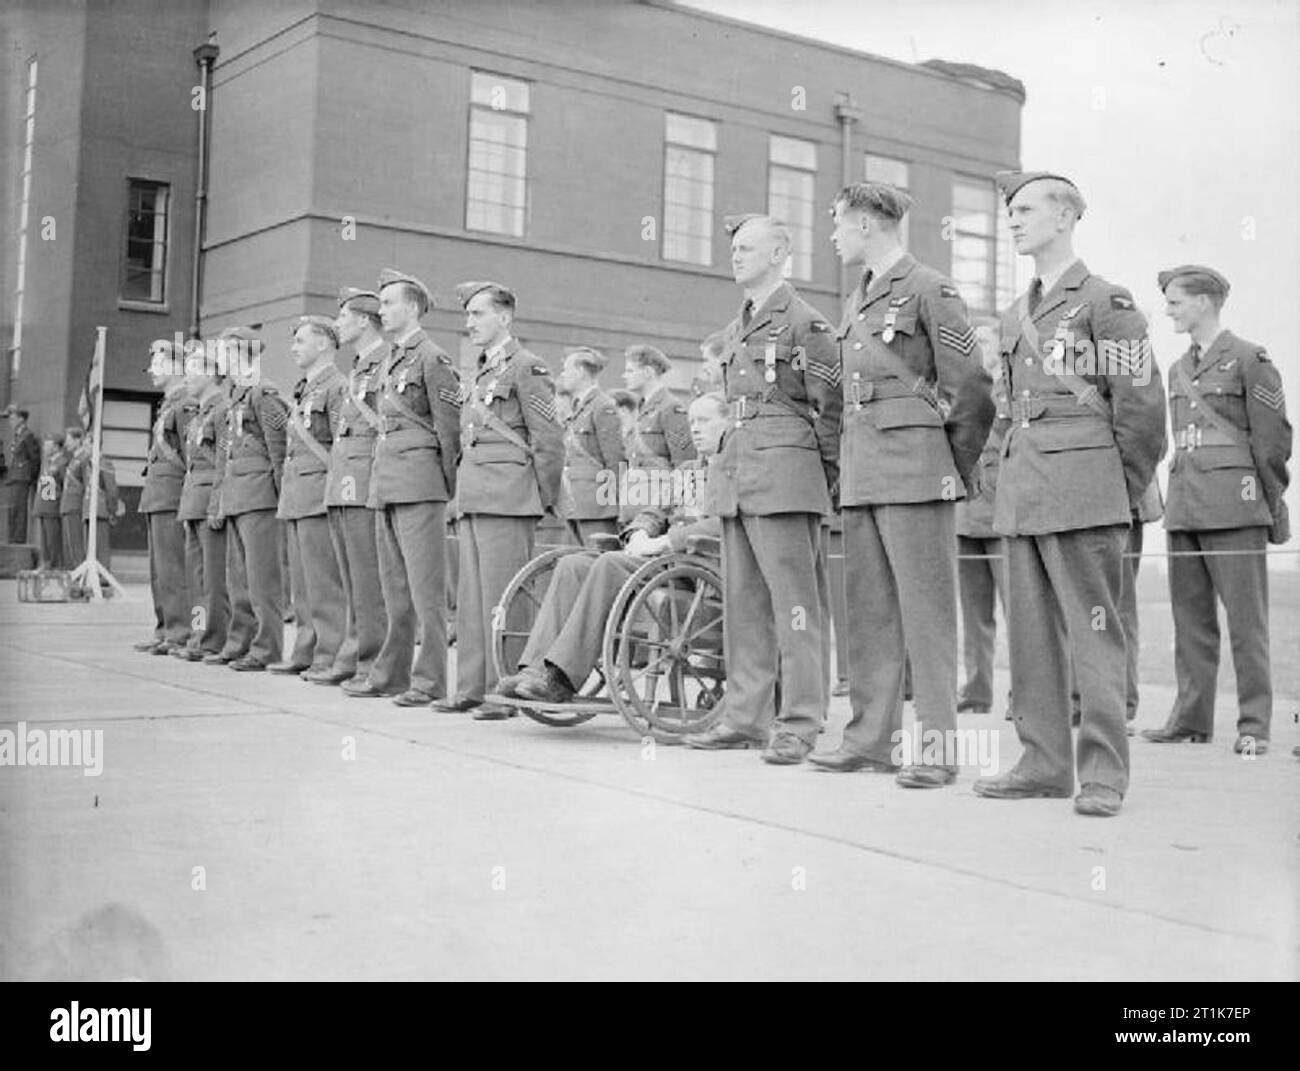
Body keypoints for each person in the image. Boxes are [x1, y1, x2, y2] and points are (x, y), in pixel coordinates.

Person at [973, 171, 1166, 817]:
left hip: (1085, 493)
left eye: (1026, 210)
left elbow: (1141, 411)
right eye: (1011, 212)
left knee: (1094, 634)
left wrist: (1116, 489)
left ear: (1064, 217)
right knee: (1030, 637)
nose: (1014, 221)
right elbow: (1006, 410)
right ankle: (1043, 762)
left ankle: (1104, 772)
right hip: (1025, 493)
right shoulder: (1013, 314)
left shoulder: (1106, 302)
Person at [811, 181, 994, 787]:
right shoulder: (856, 299)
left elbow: (970, 389)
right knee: (870, 614)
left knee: (928, 616)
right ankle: (870, 740)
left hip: (917, 473)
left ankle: (938, 749)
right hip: (864, 472)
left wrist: (949, 470)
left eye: (838, 223)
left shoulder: (929, 288)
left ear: (865, 225)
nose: (833, 234)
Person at [680, 214, 842, 766]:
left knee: (797, 610)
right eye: (734, 248)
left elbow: (831, 410)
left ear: (779, 253)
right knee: (746, 607)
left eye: (748, 247)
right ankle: (746, 717)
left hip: (786, 478)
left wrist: (813, 475)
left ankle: (800, 720)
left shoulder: (806, 322)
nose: (736, 255)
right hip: (738, 475)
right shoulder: (739, 326)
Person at [1141, 264, 1291, 755]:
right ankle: (1191, 719)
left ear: (1204, 302)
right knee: (1191, 622)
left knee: (1247, 624)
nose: (1169, 311)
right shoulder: (1179, 367)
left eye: (1177, 301)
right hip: (1185, 505)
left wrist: (1268, 501)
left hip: (1234, 505)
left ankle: (1253, 725)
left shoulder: (1251, 359)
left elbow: (1272, 441)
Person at [499, 392, 729, 703]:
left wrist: (663, 541)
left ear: (728, 422)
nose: (695, 429)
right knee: (573, 564)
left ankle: (562, 676)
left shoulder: (733, 468)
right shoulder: (688, 469)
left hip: (701, 574)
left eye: (704, 421)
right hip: (662, 566)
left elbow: (722, 524)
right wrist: (639, 533)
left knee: (610, 564)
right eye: (692, 422)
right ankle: (536, 669)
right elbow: (654, 511)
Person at [434, 280, 562, 719]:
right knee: (471, 600)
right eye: (468, 314)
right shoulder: (484, 369)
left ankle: (503, 690)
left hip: (508, 498)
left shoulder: (528, 366)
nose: (469, 323)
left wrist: (541, 496)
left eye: (477, 314)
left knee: (503, 601)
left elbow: (548, 438)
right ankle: (471, 687)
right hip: (475, 496)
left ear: (504, 317)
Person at [345, 269, 461, 706]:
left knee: (425, 592)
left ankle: (430, 680)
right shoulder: (392, 359)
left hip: (420, 485)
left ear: (412, 308)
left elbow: (449, 434)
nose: (382, 309)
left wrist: (444, 489)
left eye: (390, 301)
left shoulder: (433, 358)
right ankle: (392, 674)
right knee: (395, 589)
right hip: (388, 482)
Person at [269, 315, 350, 680]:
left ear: (323, 344)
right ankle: (305, 650)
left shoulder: (337, 387)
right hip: (298, 494)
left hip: (320, 495)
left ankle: (329, 654)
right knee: (302, 585)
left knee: (323, 584)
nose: (294, 347)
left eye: (301, 340)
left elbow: (341, 447)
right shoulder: (305, 389)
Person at [211, 326, 289, 672]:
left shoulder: (264, 394)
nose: (221, 360)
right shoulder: (234, 398)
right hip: (237, 495)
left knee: (262, 581)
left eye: (226, 352)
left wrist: (281, 496)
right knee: (238, 580)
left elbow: (279, 448)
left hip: (259, 497)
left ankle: (267, 647)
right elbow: (225, 454)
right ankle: (239, 642)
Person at [327, 287, 389, 690]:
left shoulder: (385, 362)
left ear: (364, 320)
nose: (338, 324)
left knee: (369, 580)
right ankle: (354, 653)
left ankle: (371, 660)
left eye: (344, 317)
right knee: (352, 578)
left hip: (367, 480)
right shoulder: (359, 366)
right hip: (345, 480)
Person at [955, 317, 1010, 715]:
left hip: (1004, 512)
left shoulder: (1014, 388)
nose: (979, 348)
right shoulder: (964, 389)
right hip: (966, 515)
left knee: (1021, 612)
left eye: (987, 341)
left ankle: (1025, 695)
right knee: (975, 615)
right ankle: (977, 691)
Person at [132, 342, 194, 656]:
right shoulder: (168, 405)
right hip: (157, 496)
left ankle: (180, 631)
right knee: (158, 571)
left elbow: (191, 457)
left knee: (173, 569)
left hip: (172, 496)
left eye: (158, 364)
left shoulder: (185, 406)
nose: (152, 371)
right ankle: (165, 628)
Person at [174, 353, 235, 662]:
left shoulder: (223, 410)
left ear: (212, 374)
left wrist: (216, 503)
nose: (186, 378)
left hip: (210, 500)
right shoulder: (198, 414)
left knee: (213, 579)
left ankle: (214, 638)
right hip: (193, 501)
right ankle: (199, 635)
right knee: (197, 580)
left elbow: (224, 461)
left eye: (193, 371)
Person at [557, 346, 625, 545]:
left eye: (566, 369)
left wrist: (618, 504)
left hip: (598, 507)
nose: (563, 375)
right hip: (576, 502)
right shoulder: (579, 407)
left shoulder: (603, 406)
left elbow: (615, 459)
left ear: (580, 371)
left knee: (597, 562)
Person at [620, 344, 696, 522]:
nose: (625, 376)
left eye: (630, 371)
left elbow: (684, 462)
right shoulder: (642, 407)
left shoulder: (670, 407)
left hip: (658, 503)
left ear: (647, 372)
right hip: (635, 498)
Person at [3, 405, 42, 542]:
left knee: (19, 511)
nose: (10, 421)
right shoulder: (18, 435)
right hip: (14, 477)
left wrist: (31, 477)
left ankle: (18, 540)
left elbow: (34, 458)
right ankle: (12, 538)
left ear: (21, 419)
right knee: (13, 510)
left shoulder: (28, 435)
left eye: (13, 418)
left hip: (22, 477)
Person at [34, 431, 69, 569]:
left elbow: (64, 484)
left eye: (47, 445)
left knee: (53, 538)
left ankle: (55, 564)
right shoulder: (47, 462)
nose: (44, 448)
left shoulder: (62, 462)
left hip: (53, 505)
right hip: (43, 504)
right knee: (44, 539)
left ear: (56, 447)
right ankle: (46, 561)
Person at [59, 428, 87, 567]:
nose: (66, 444)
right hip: (66, 504)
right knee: (70, 543)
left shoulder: (83, 459)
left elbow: (86, 483)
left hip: (75, 504)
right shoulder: (73, 459)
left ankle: (79, 573)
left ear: (78, 440)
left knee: (76, 543)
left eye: (69, 440)